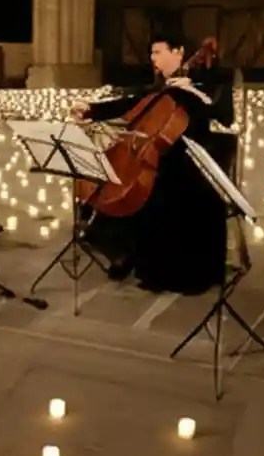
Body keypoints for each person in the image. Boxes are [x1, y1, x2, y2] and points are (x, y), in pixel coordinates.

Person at [69, 35, 235, 294]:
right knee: (125, 180)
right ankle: (126, 253)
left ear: (179, 52)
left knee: (157, 190)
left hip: (194, 159)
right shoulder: (163, 85)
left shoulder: (213, 78)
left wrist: (193, 92)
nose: (152, 59)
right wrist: (92, 110)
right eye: (151, 54)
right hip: (162, 155)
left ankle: (150, 262)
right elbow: (137, 103)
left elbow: (224, 116)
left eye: (157, 52)